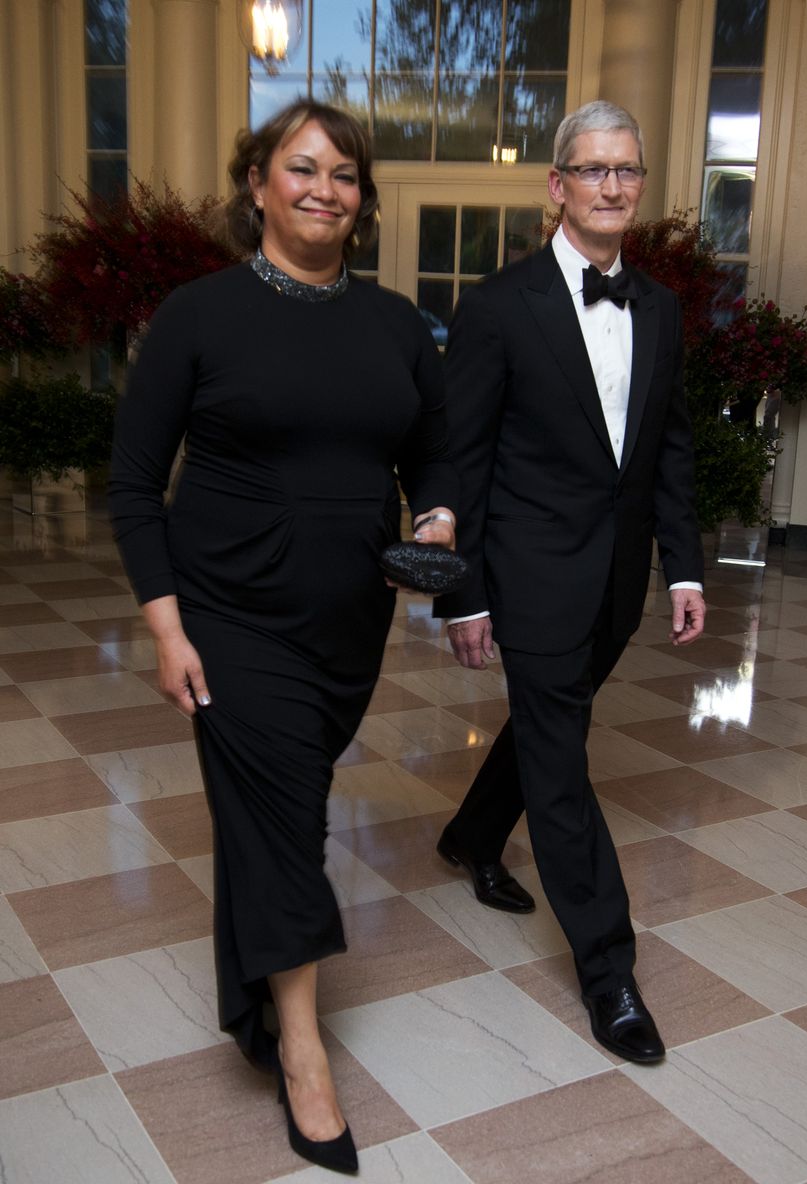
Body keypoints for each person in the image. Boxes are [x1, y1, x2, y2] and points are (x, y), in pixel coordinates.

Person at [109, 100, 458, 1174]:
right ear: (255, 182)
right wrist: (166, 630)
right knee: (286, 826)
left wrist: (437, 521)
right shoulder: (198, 315)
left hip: (348, 621)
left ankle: (249, 996)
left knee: (280, 814)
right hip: (229, 614)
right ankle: (303, 1052)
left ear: (362, 198)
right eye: (300, 168)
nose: (323, 188)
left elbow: (434, 463)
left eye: (344, 173)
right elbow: (131, 485)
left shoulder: (397, 323)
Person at [433, 99, 706, 1064]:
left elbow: (667, 450)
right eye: (593, 170)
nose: (613, 187)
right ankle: (609, 971)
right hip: (532, 577)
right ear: (557, 185)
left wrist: (685, 568)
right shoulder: (501, 306)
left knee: (549, 723)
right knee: (562, 768)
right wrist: (461, 592)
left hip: (619, 582)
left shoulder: (661, 307)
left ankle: (470, 834)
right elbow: (459, 462)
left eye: (627, 170)